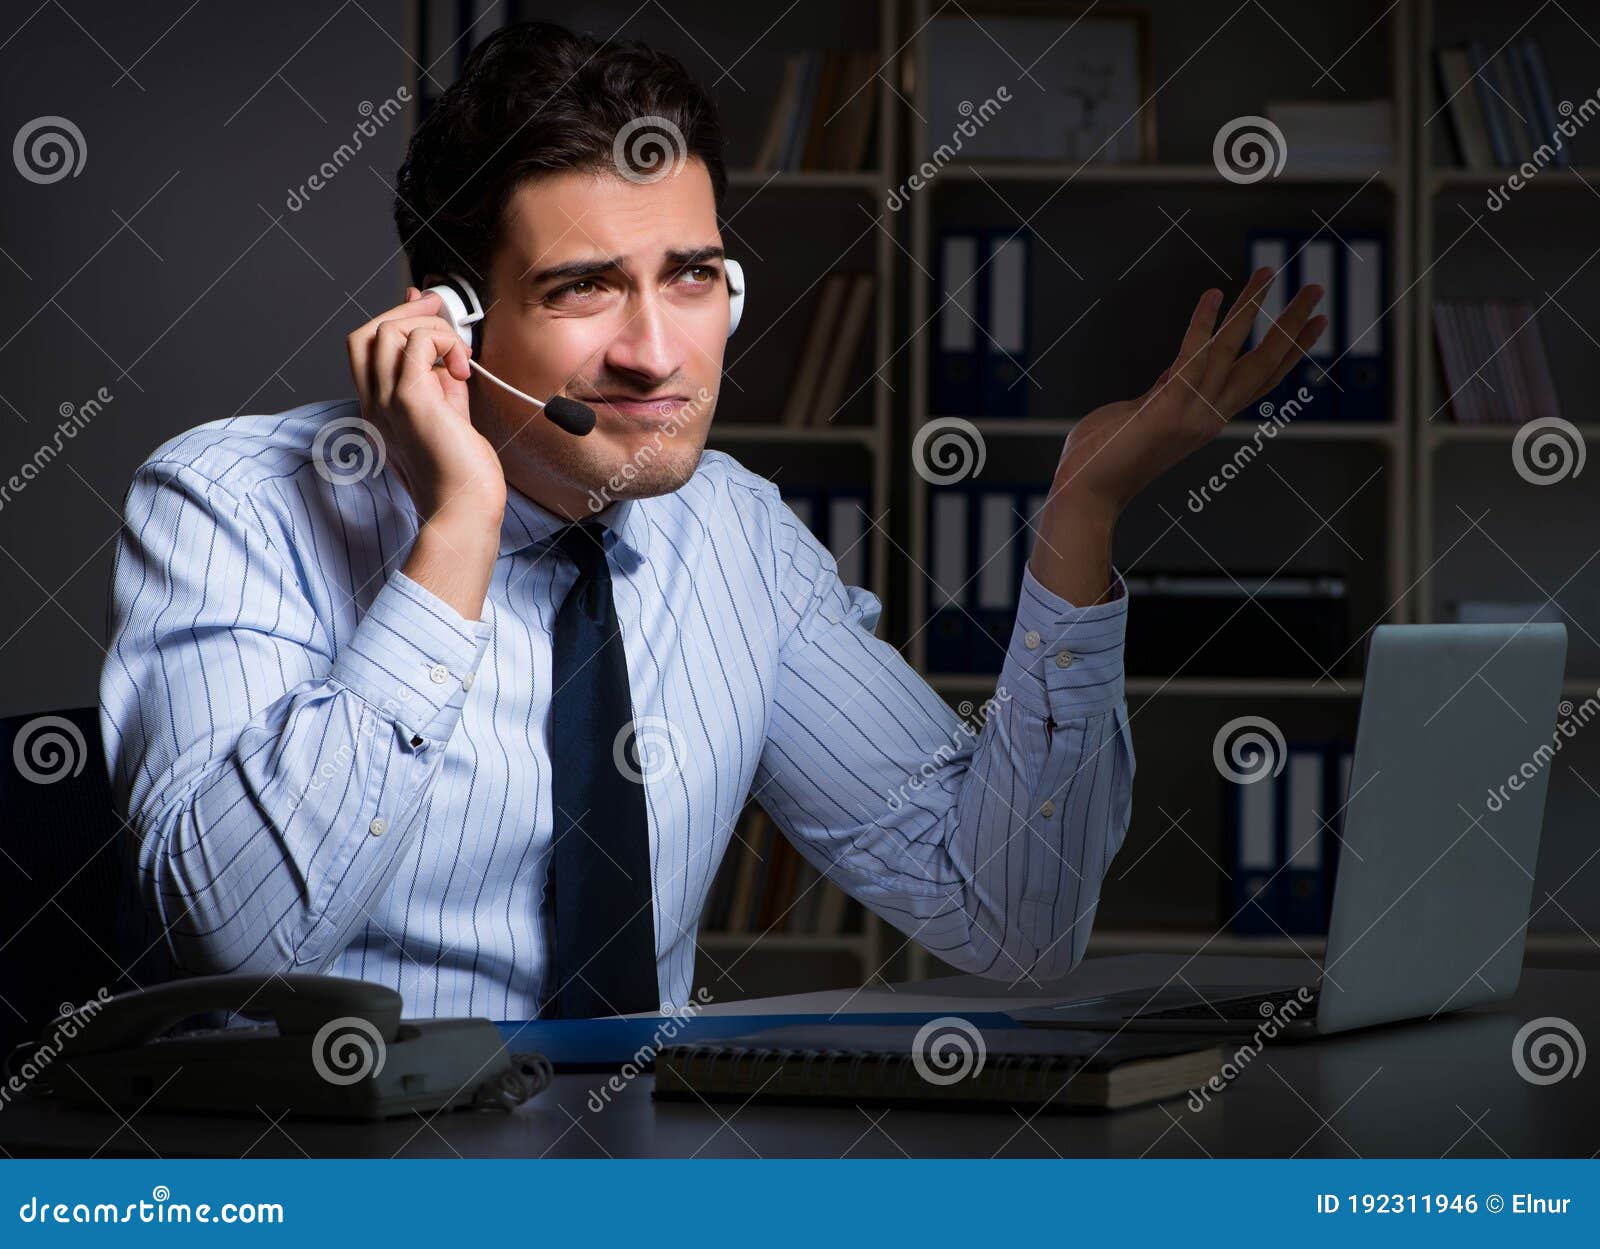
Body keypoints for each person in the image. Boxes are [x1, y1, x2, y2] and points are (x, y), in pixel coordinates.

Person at [99, 21, 1326, 1020]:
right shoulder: (231, 503)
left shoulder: (733, 534)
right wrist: (454, 534)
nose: (655, 353)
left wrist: (1080, 512)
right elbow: (232, 934)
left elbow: (1009, 917)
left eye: (690, 276)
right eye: (583, 288)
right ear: (457, 326)